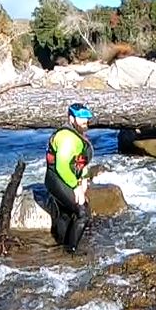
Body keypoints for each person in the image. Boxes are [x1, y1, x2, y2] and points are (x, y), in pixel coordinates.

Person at [44, 103, 95, 253]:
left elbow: (80, 161)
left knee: (66, 214)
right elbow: (62, 166)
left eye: (86, 118)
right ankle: (71, 251)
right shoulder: (67, 138)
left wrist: (84, 178)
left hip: (60, 178)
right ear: (71, 119)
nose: (85, 121)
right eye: (81, 118)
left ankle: (60, 247)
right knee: (83, 213)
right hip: (57, 179)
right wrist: (75, 186)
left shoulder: (77, 134)